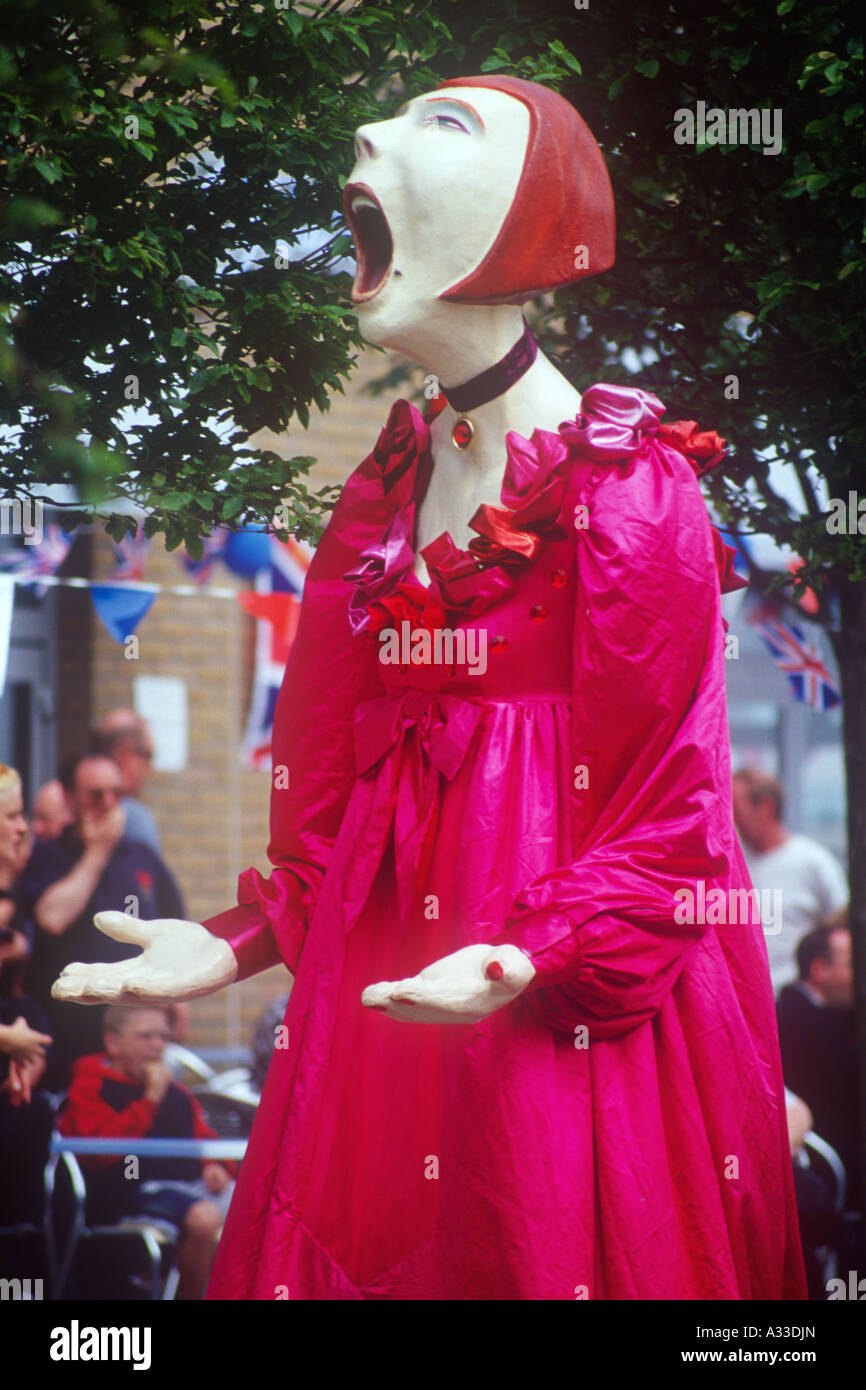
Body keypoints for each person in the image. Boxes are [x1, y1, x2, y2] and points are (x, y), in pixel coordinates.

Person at [52, 75, 805, 1300]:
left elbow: (669, 822)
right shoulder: (382, 495)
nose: (372, 136)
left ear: (533, 215)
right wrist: (241, 937)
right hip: (385, 1007)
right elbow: (339, 787)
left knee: (534, 1232)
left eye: (441, 127)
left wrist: (525, 953)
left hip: (560, 1020)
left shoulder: (628, 494)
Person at [19, 754, 185, 1087]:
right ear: (69, 798)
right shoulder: (48, 854)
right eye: (95, 794)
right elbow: (51, 918)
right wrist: (97, 853)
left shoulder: (141, 855)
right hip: (67, 1033)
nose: (107, 803)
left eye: (116, 793)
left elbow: (174, 926)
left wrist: (179, 1000)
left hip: (132, 1041)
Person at [59, 1005, 232, 1300]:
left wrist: (213, 1164)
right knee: (204, 1219)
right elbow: (104, 1151)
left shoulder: (177, 1094)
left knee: (254, 1203)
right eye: (146, 1036)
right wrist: (149, 1100)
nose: (157, 1046)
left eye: (163, 1037)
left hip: (188, 1186)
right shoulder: (91, 1086)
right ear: (114, 1043)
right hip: (126, 1191)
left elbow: (203, 1138)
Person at [732, 769, 848, 995]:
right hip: (743, 1002)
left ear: (765, 807)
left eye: (737, 811)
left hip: (795, 1004)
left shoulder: (813, 863)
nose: (732, 821)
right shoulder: (732, 864)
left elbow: (840, 925)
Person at [777, 919, 859, 1207]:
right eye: (851, 965)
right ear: (819, 970)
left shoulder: (794, 1009)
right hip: (824, 1171)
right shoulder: (806, 1025)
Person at [89, 710, 161, 855]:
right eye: (148, 755)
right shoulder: (133, 819)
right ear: (124, 756)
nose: (151, 767)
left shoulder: (73, 806)